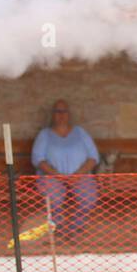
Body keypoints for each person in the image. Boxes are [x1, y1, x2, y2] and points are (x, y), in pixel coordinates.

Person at [31, 99, 100, 241]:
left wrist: (78, 174)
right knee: (54, 198)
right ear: (53, 115)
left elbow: (94, 157)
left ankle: (75, 228)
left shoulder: (80, 133)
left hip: (79, 175)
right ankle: (59, 229)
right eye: (57, 111)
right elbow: (37, 158)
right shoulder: (45, 134)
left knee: (89, 198)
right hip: (52, 176)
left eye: (64, 111)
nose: (61, 115)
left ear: (69, 114)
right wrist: (57, 175)